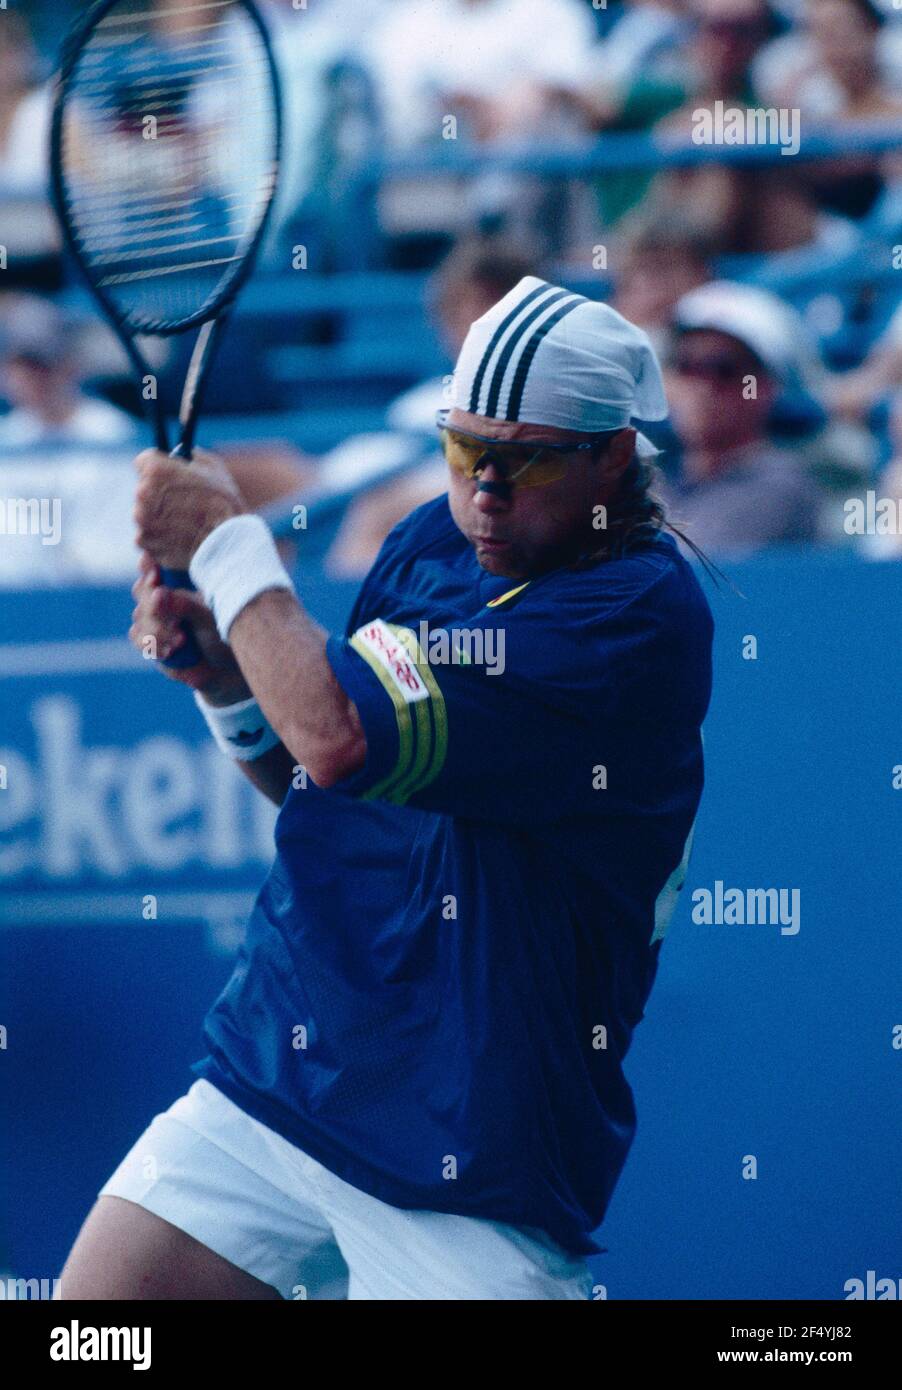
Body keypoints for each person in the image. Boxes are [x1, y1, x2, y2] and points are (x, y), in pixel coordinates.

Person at [58, 277, 713, 1301]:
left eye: (525, 460)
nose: (483, 490)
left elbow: (338, 734)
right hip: (285, 1067)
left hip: (469, 1147)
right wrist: (230, 684)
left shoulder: (634, 614)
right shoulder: (427, 541)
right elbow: (334, 793)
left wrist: (232, 543)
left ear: (612, 459)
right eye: (464, 451)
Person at [660, 281, 827, 555]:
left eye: (723, 370)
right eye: (687, 366)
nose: (701, 386)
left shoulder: (781, 487)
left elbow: (692, 573)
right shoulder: (656, 478)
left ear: (766, 388)